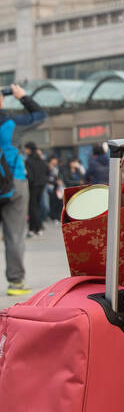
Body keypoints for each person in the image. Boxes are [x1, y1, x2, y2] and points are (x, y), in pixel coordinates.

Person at [1, 84, 48, 296]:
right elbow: (39, 115)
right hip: (14, 184)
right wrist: (22, 96)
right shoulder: (10, 123)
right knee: (14, 235)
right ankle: (16, 282)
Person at [24, 143, 49, 237]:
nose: (25, 151)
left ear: (29, 149)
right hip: (41, 185)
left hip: (33, 186)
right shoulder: (41, 159)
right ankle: (35, 228)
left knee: (32, 207)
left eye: (26, 149)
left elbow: (29, 175)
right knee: (37, 207)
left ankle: (35, 228)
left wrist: (30, 182)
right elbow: (47, 171)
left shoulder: (28, 160)